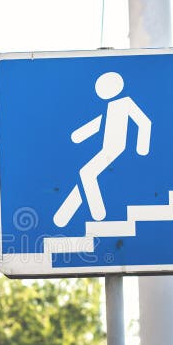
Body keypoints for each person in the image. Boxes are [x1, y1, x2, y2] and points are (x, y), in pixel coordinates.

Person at [53, 71, 151, 228]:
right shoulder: (110, 106)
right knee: (87, 175)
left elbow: (144, 122)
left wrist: (142, 148)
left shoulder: (126, 102)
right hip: (106, 148)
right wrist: (79, 135)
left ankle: (98, 214)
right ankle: (64, 215)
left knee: (86, 173)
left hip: (115, 149)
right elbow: (99, 124)